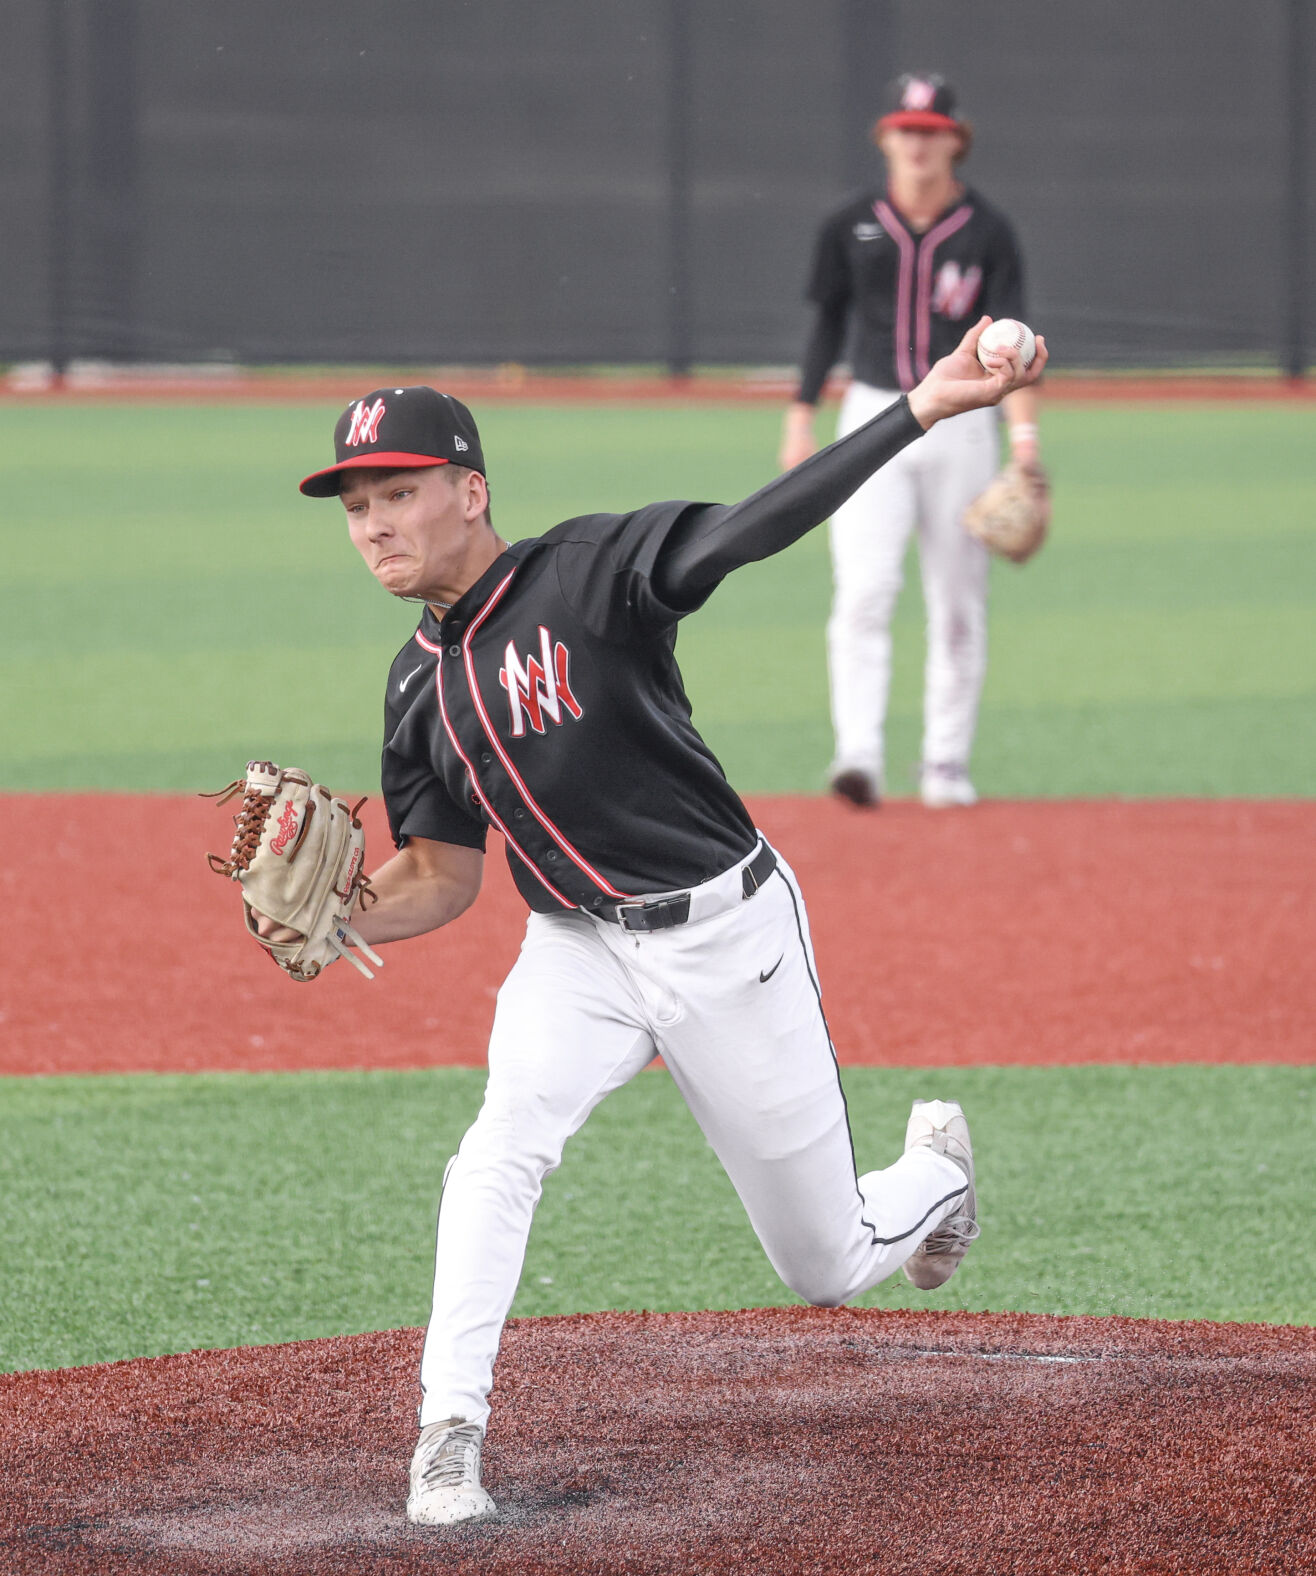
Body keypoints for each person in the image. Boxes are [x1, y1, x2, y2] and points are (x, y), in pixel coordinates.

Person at [265, 321, 1044, 1527]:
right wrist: (346, 906)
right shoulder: (414, 685)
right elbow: (443, 872)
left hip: (726, 937)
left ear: (469, 491)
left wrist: (923, 408)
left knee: (823, 1266)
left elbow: (752, 527)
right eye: (354, 501)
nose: (372, 521)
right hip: (575, 952)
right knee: (498, 1145)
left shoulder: (587, 572)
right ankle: (447, 1435)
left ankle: (932, 1172)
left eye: (398, 491)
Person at [780, 73, 1043, 810]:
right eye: (905, 128)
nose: (918, 142)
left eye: (931, 130)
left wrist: (1024, 446)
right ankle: (858, 752)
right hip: (871, 413)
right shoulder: (850, 224)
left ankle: (945, 763)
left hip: (964, 426)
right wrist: (800, 416)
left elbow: (1019, 355)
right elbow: (826, 324)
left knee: (958, 599)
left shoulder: (990, 231)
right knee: (864, 590)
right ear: (885, 138)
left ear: (956, 139)